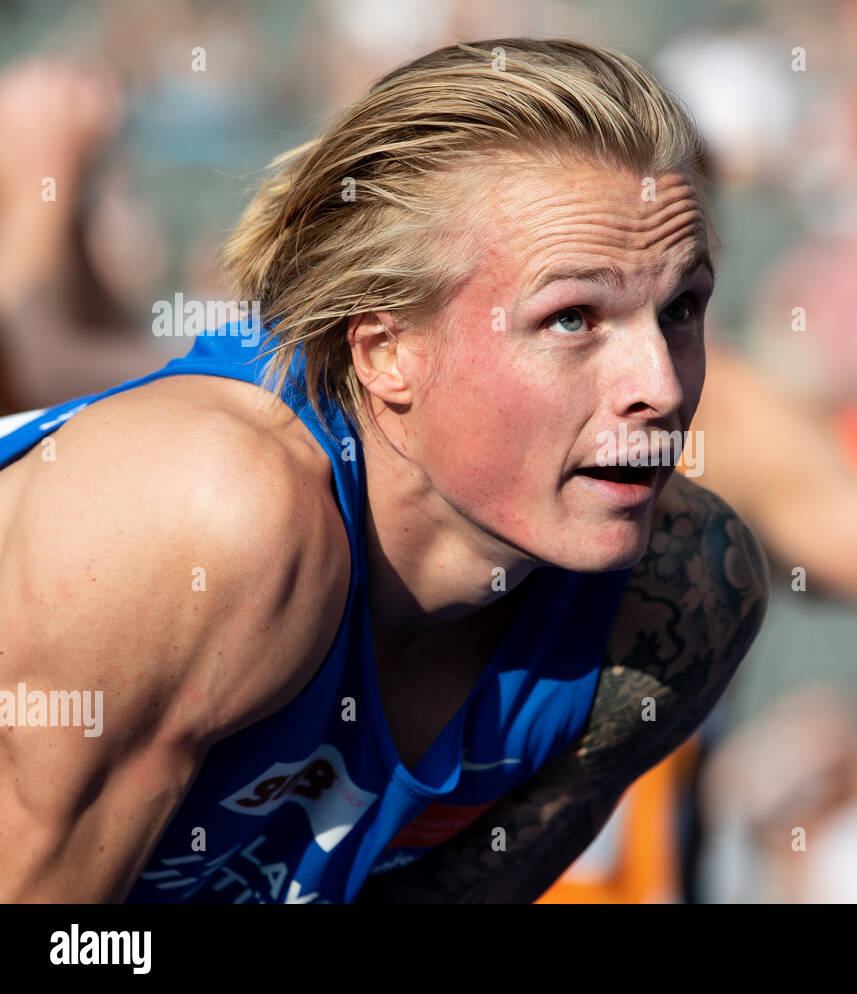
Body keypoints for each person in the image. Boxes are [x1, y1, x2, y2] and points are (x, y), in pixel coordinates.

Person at [0, 38, 769, 904]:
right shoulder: (215, 522)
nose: (660, 386)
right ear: (386, 351)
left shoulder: (681, 593)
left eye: (682, 309)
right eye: (572, 319)